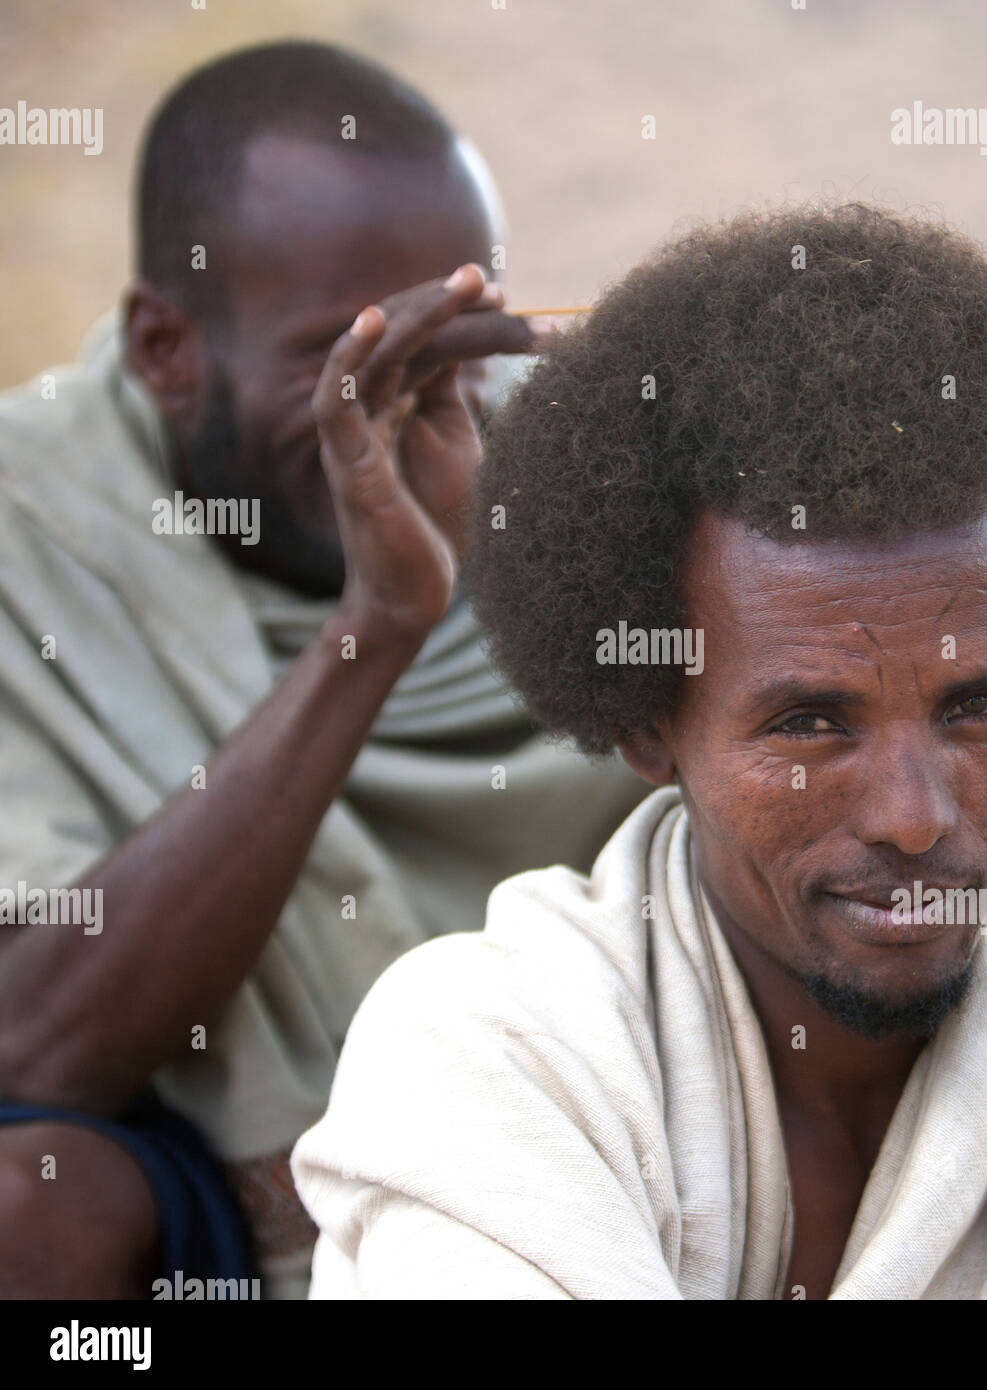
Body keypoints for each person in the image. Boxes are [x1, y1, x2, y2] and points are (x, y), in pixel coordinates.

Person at [292, 203, 987, 1299]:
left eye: (980, 708)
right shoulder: (497, 1052)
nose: (916, 817)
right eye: (809, 724)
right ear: (644, 722)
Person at [0, 41, 647, 1299]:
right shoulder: (28, 531)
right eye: (344, 355)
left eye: (452, 343)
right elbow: (33, 1045)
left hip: (577, 1137)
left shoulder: (570, 504)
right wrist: (382, 624)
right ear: (164, 345)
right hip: (206, 1182)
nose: (406, 404)